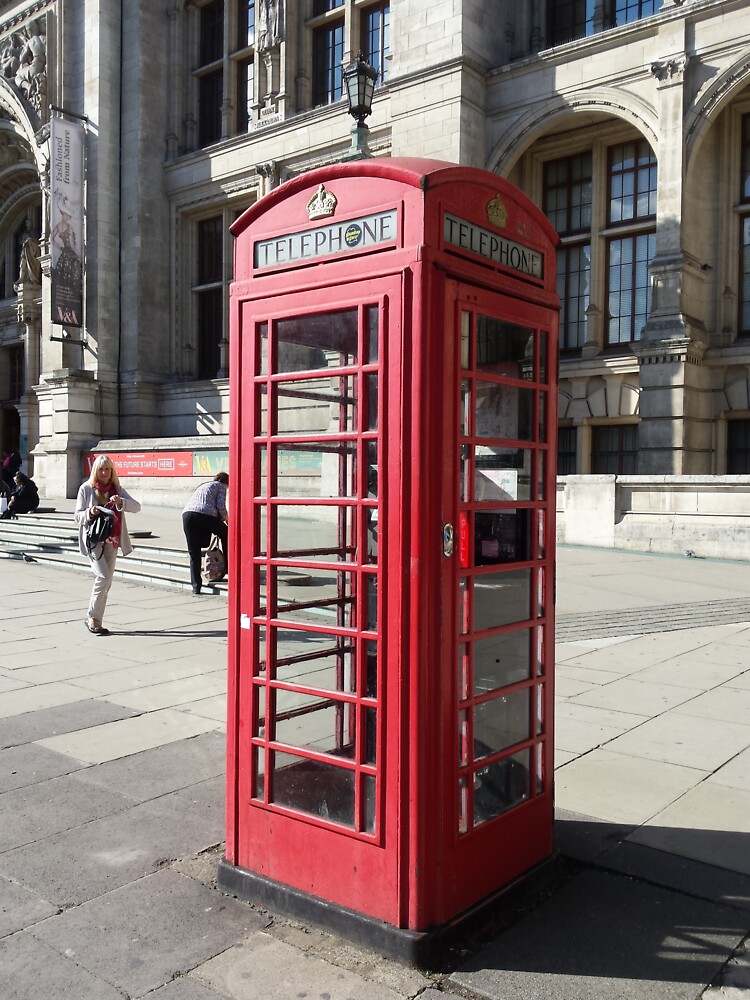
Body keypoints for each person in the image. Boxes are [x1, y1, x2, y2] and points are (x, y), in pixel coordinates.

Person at [75, 455, 141, 636]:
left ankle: (95, 618)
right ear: (95, 471)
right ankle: (93, 618)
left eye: (107, 469)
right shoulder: (86, 489)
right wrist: (90, 511)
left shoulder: (117, 489)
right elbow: (77, 516)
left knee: (107, 581)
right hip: (94, 540)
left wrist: (121, 502)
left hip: (112, 540)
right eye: (101, 469)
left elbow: (137, 507)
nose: (104, 473)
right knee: (103, 577)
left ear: (112, 472)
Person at [182, 472, 229, 595]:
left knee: (194, 553)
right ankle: (229, 568)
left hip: (187, 515)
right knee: (227, 534)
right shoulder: (221, 486)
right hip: (205, 514)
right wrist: (227, 519)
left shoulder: (204, 485)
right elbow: (221, 507)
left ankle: (196, 587)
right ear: (226, 482)